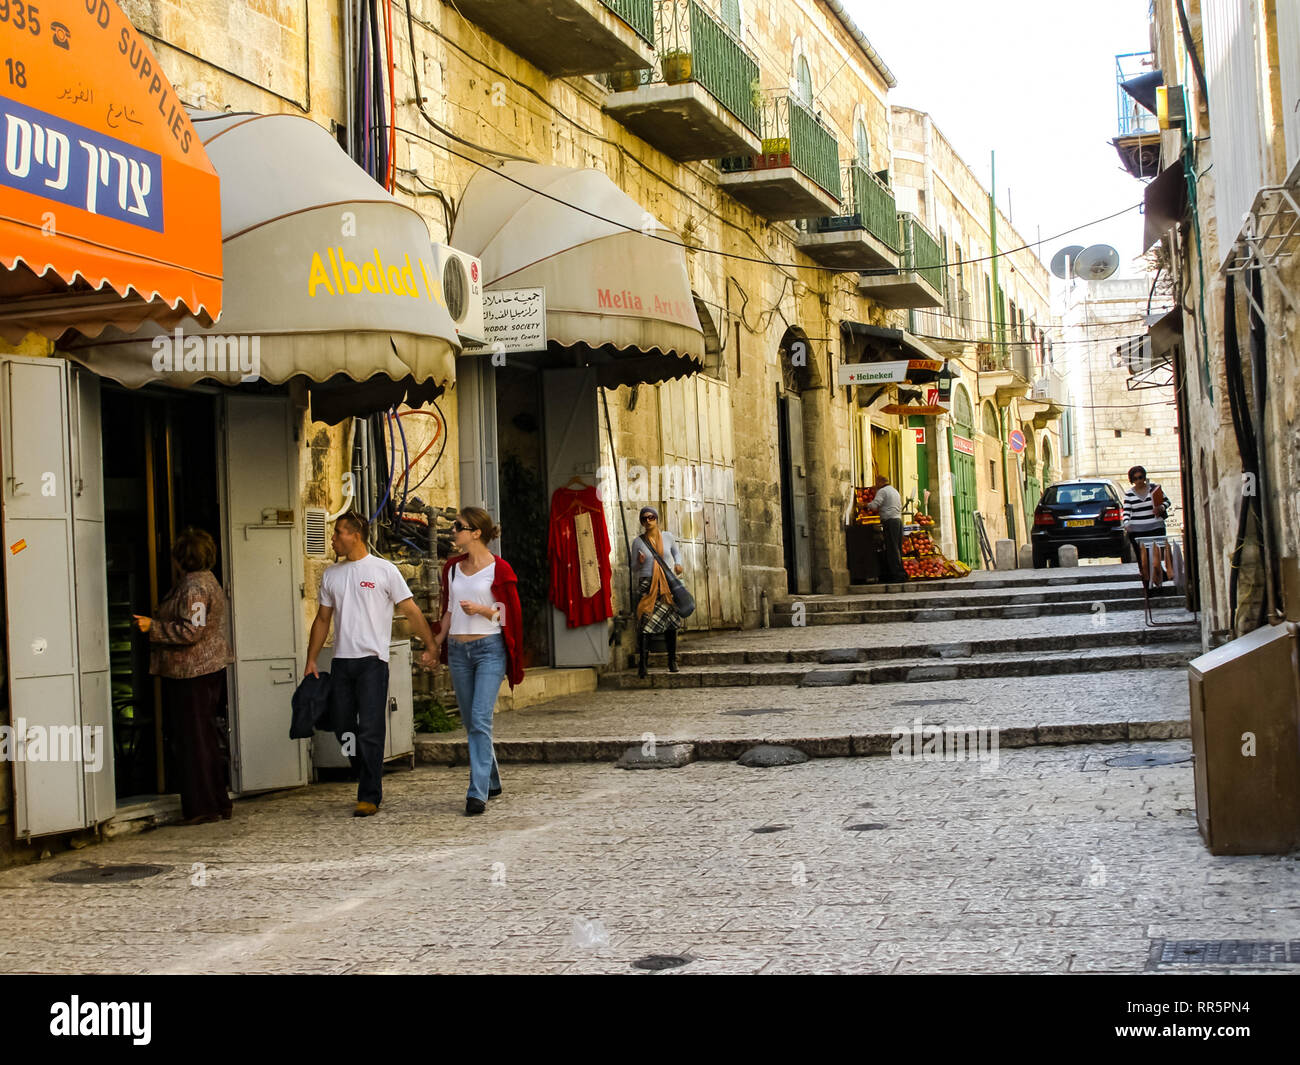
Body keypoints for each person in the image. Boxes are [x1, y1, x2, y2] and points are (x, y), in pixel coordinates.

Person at [305, 512, 437, 817]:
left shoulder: (384, 571)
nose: (333, 539)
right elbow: (323, 619)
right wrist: (311, 659)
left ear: (355, 535)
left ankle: (369, 794)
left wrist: (430, 644)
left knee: (371, 729)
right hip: (342, 662)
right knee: (342, 726)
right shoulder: (331, 575)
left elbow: (412, 611)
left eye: (338, 533)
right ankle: (365, 769)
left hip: (372, 663)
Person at [133, 527, 234, 825]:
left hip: (192, 672)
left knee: (195, 739)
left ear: (181, 558)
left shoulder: (194, 588)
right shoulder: (207, 582)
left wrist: (153, 626)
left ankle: (203, 806)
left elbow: (192, 630)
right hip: (206, 669)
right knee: (203, 737)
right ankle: (216, 801)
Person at [431, 507, 524, 816]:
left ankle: (477, 793)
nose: (453, 531)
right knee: (471, 722)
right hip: (458, 651)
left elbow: (509, 616)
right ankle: (492, 780)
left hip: (489, 650)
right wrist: (435, 645)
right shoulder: (452, 568)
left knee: (481, 719)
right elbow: (447, 610)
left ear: (476, 533)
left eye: (458, 526)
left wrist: (483, 611)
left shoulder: (501, 569)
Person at [629, 506, 685, 678]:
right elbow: (632, 567)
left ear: (656, 518)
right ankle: (643, 665)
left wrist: (678, 563)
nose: (648, 521)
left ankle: (672, 661)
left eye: (651, 517)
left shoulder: (668, 537)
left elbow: (677, 553)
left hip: (666, 585)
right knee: (645, 621)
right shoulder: (638, 542)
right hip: (647, 584)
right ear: (641, 521)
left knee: (671, 622)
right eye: (644, 518)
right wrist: (639, 562)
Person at [1122, 465, 1171, 585]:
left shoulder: (1154, 489)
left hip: (1156, 528)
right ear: (1132, 480)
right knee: (1142, 558)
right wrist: (1126, 523)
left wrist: (1161, 507)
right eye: (1135, 478)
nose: (1139, 480)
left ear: (1144, 477)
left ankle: (1159, 576)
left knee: (1156, 556)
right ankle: (1147, 579)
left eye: (1141, 477)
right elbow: (1127, 512)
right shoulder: (1129, 494)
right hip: (1137, 530)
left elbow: (1167, 501)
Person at [865, 474, 905, 583]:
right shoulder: (894, 491)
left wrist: (863, 505)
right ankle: (900, 572)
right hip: (898, 520)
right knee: (897, 547)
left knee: (892, 548)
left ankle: (896, 575)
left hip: (890, 521)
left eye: (876, 482)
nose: (875, 485)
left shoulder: (882, 491)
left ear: (880, 482)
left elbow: (874, 505)